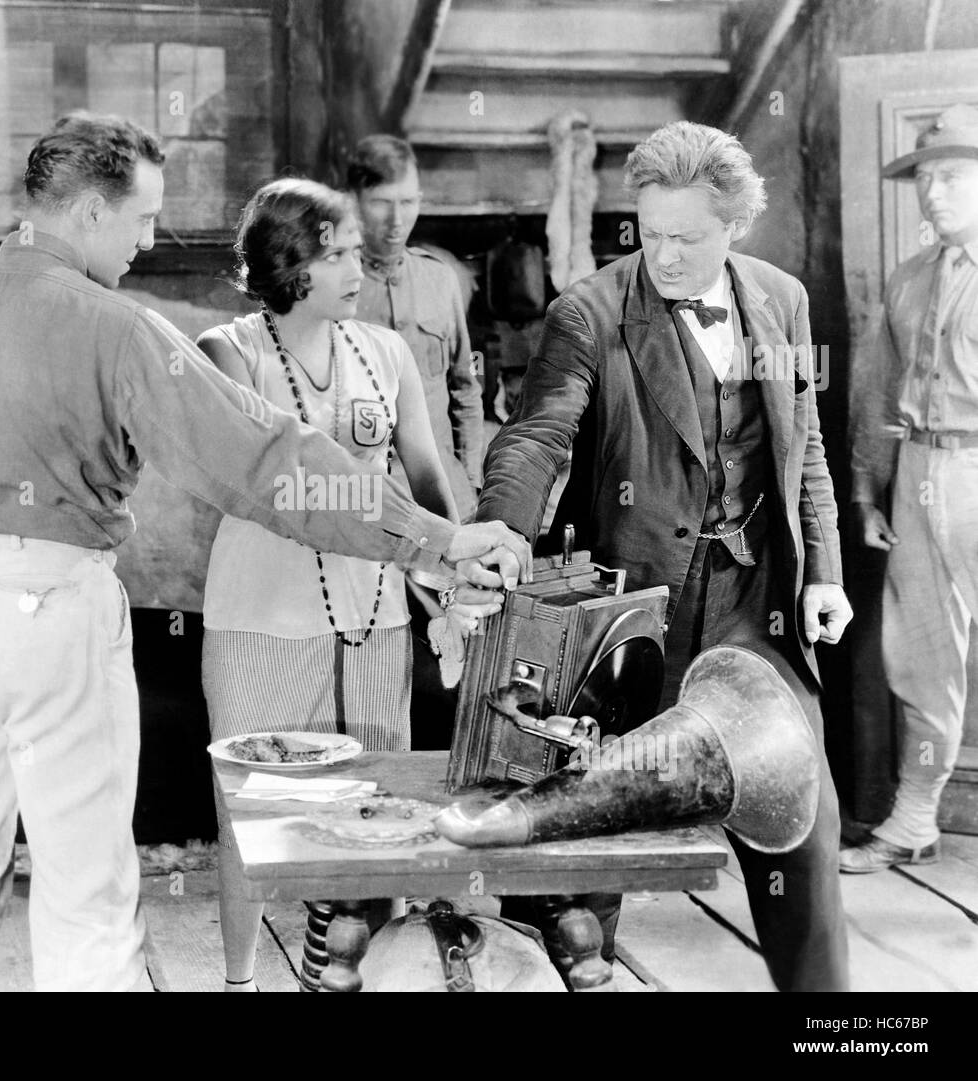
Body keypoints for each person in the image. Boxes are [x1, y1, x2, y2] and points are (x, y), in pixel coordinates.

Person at [0, 113, 529, 992]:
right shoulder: (113, 328)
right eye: (141, 218)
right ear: (90, 212)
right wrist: (431, 539)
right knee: (86, 888)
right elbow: (270, 462)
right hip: (51, 607)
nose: (150, 238)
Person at [460, 121, 854, 992]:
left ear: (735, 228)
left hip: (759, 613)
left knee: (801, 836)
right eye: (650, 231)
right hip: (628, 627)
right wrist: (499, 529)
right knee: (581, 861)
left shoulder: (782, 299)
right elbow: (537, 436)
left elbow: (807, 445)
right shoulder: (589, 311)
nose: (664, 255)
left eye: (689, 237)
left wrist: (822, 569)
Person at [196, 178, 490, 991]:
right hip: (259, 616)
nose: (358, 266)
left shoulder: (386, 352)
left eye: (356, 250)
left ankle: (357, 970)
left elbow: (427, 476)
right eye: (336, 255)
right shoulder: (230, 352)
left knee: (375, 809)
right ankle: (240, 979)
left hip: (371, 616)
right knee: (252, 812)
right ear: (289, 266)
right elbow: (276, 483)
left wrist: (455, 561)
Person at [842, 104, 978, 873]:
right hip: (920, 475)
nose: (934, 193)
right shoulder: (908, 280)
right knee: (921, 656)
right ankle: (915, 818)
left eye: (954, 175)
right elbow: (876, 392)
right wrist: (867, 489)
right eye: (925, 177)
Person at [347, 135, 483, 520]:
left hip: (445, 500)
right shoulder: (334, 284)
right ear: (354, 202)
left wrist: (469, 479)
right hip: (368, 506)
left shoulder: (440, 280)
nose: (397, 220)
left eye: (408, 203)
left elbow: (465, 390)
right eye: (381, 204)